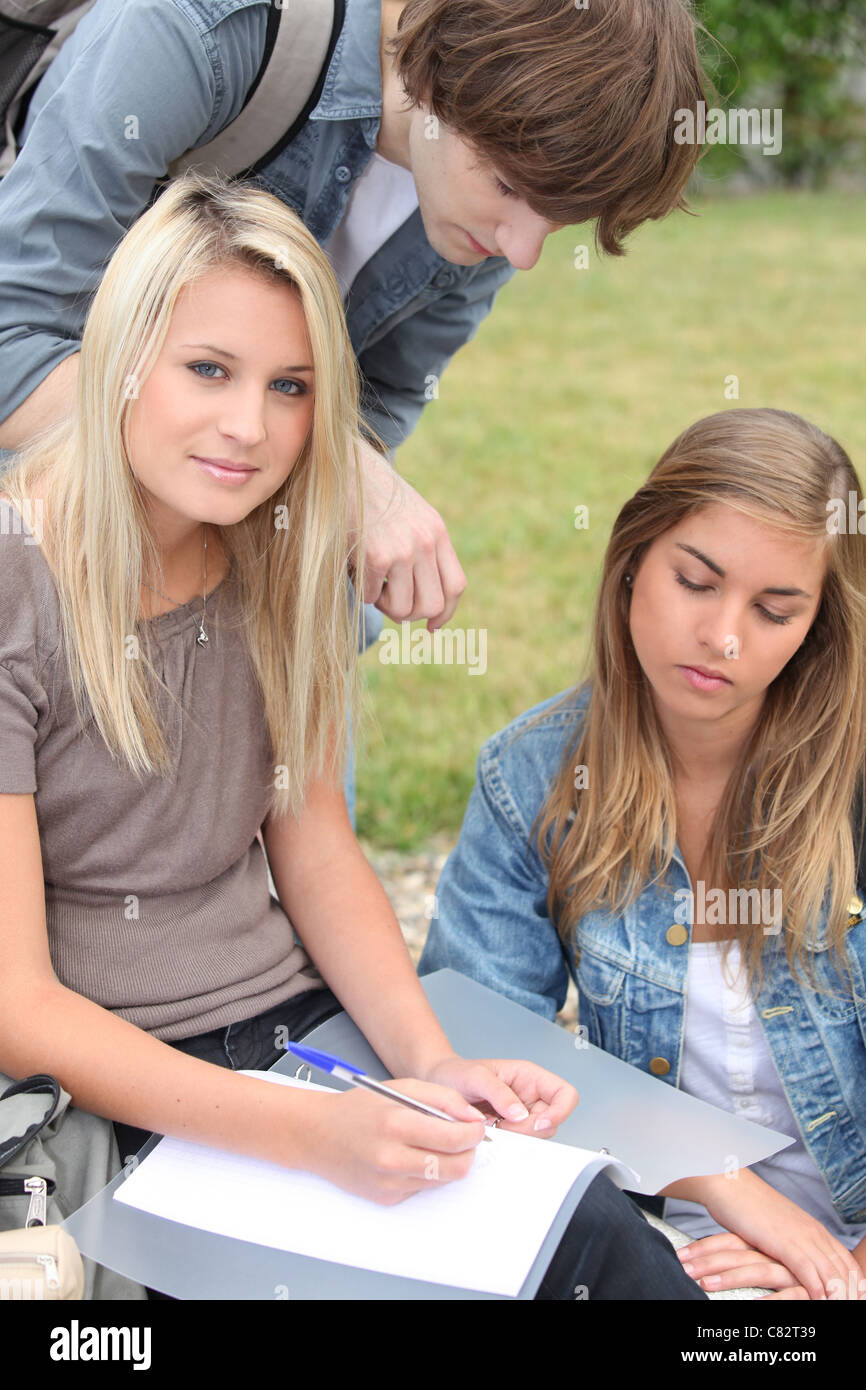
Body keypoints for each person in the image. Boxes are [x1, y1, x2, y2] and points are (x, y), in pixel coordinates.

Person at [0, 170, 709, 1301]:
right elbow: (20, 1007)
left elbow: (317, 847)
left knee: (592, 1247)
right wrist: (309, 1136)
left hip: (291, 1033)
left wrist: (431, 1063)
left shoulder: (280, 561)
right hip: (113, 1093)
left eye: (291, 386)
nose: (251, 427)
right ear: (124, 357)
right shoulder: (15, 580)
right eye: (209, 371)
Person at [0, 0, 710, 635]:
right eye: (504, 185)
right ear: (438, 70)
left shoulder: (497, 216)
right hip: (47, 523)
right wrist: (333, 471)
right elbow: (11, 335)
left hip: (229, 556)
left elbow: (383, 402)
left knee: (330, 643)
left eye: (562, 218)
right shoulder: (203, 28)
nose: (521, 252)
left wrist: (348, 483)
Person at [421, 407, 866, 1301]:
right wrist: (723, 1188)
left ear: (817, 625)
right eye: (696, 583)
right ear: (631, 564)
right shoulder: (533, 776)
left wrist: (845, 1265)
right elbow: (471, 1042)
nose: (725, 637)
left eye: (776, 610)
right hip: (656, 1245)